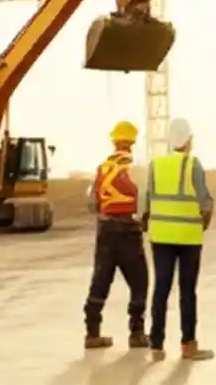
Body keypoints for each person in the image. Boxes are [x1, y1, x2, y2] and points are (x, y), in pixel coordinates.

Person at [140, 118, 214, 362]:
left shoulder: (156, 164)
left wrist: (146, 224)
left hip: (160, 237)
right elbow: (205, 201)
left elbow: (146, 201)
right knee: (187, 291)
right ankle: (188, 345)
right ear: (188, 140)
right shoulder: (193, 164)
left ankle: (157, 346)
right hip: (189, 238)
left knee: (161, 288)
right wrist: (205, 222)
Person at [82, 121, 150, 350]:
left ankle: (92, 333)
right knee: (139, 282)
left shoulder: (103, 167)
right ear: (133, 142)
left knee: (100, 281)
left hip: (106, 230)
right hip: (128, 231)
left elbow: (92, 202)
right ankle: (137, 333)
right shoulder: (135, 166)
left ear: (114, 141)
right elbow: (142, 197)